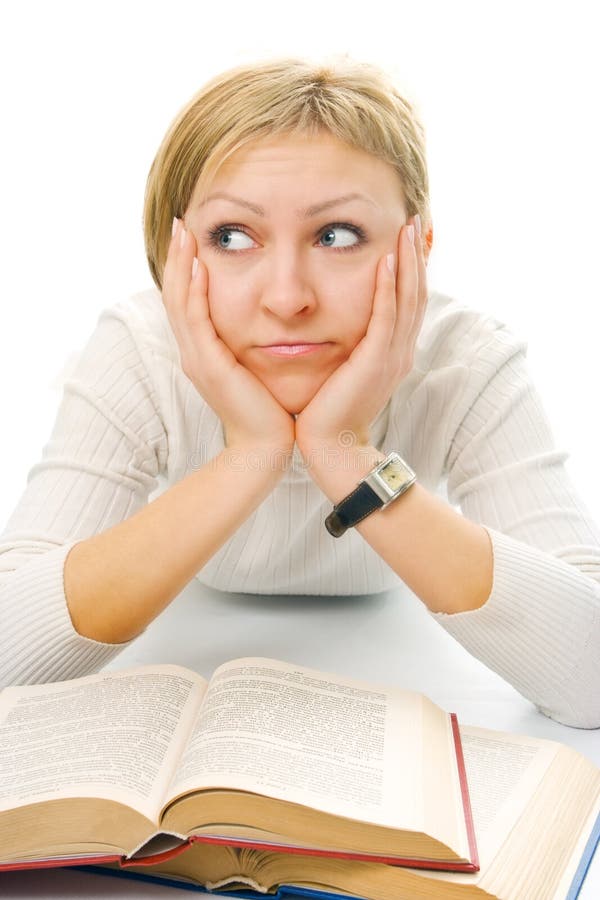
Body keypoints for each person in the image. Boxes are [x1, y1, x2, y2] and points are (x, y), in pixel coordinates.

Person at [1, 56, 599, 729]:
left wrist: (345, 452)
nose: (287, 299)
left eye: (336, 236)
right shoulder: (141, 351)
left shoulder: (468, 361)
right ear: (175, 259)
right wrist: (249, 452)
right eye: (232, 237)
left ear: (417, 249)